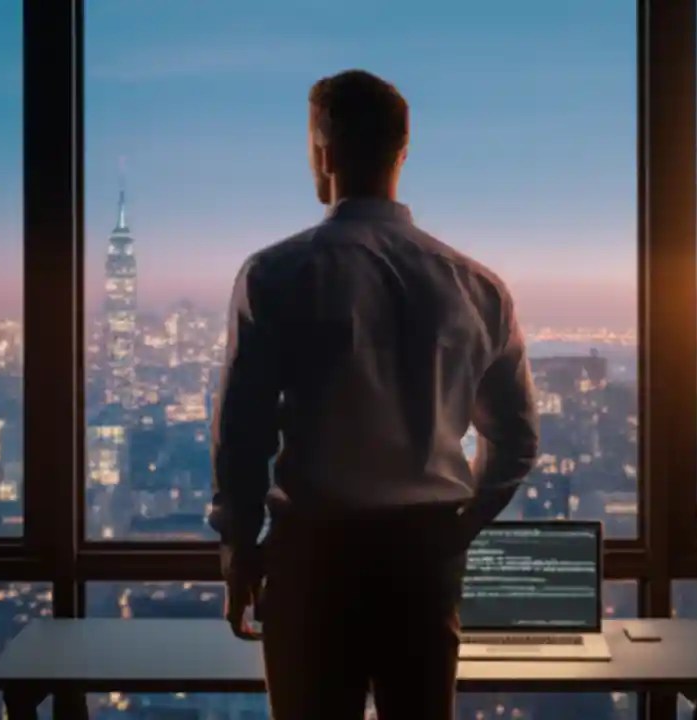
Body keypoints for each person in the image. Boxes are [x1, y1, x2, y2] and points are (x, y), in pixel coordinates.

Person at [210, 69, 539, 720]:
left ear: (321, 152)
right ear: (402, 153)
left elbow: (243, 435)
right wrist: (455, 528)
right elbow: (517, 440)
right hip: (422, 564)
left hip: (313, 558)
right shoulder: (478, 287)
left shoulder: (276, 275)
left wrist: (240, 545)